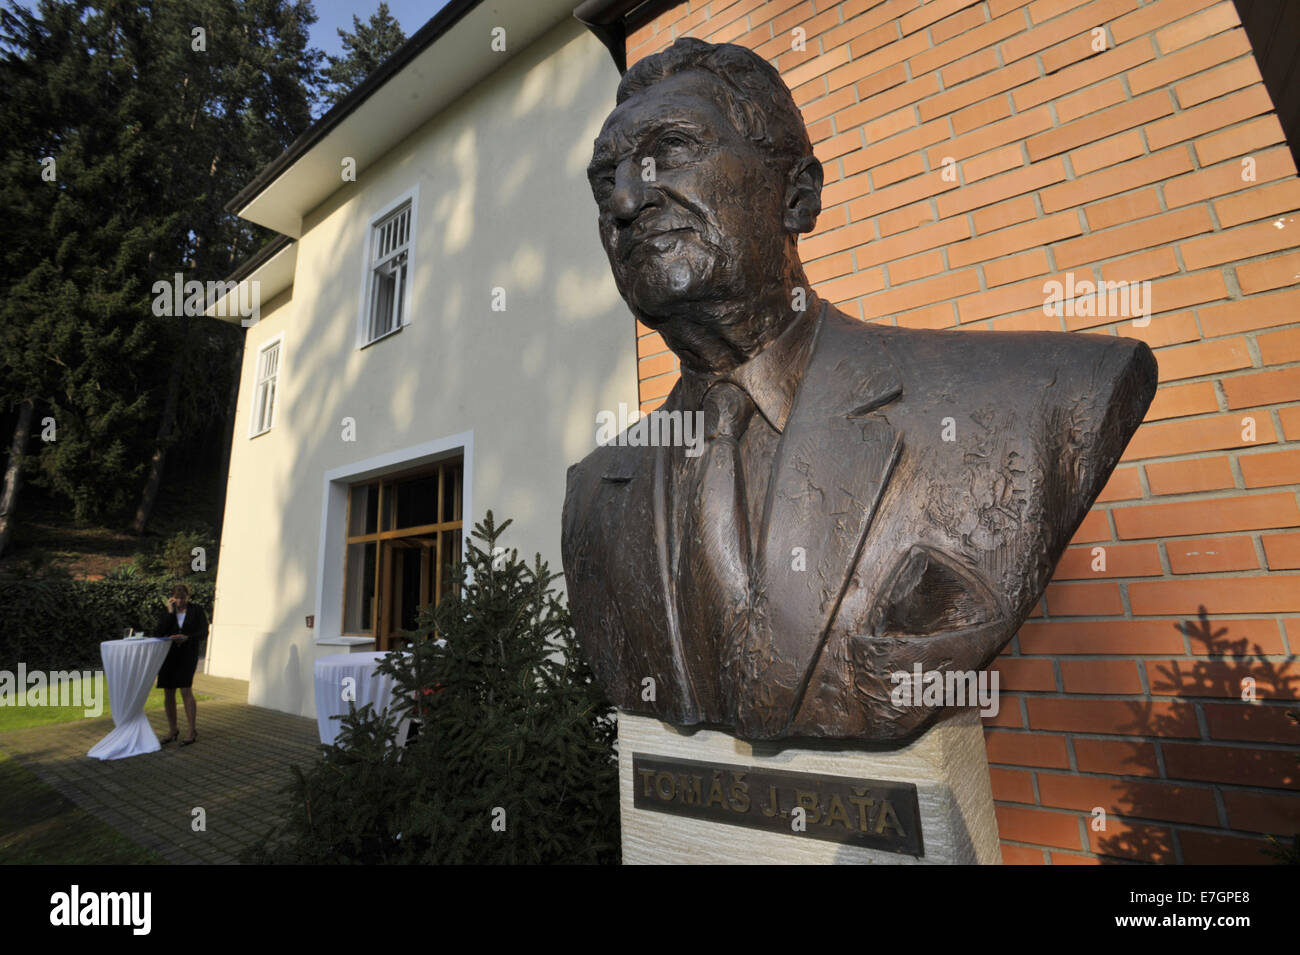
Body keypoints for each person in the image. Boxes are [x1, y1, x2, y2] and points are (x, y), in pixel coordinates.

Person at [562, 38, 1157, 743]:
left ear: (796, 196)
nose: (626, 201)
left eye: (674, 148)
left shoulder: (1047, 400)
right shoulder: (597, 494)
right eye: (606, 182)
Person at [154, 583, 207, 746]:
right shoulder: (168, 611)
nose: (180, 601)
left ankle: (191, 730)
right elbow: (158, 632)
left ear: (187, 597)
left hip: (187, 654)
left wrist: (188, 637)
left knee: (185, 689)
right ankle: (173, 729)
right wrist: (170, 613)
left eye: (183, 598)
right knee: (168, 691)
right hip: (169, 655)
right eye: (177, 598)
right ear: (172, 598)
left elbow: (203, 632)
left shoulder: (196, 610)